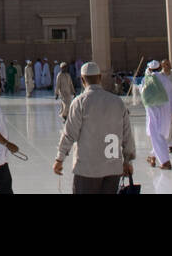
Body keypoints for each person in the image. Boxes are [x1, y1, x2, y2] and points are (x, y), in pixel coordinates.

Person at [52, 61, 133, 193]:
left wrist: (59, 158)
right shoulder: (117, 102)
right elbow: (127, 135)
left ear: (82, 79)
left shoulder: (80, 102)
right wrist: (128, 161)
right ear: (100, 78)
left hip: (88, 169)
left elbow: (70, 133)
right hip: (113, 168)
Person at [140, 60, 172, 169]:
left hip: (152, 110)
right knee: (161, 135)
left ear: (149, 69)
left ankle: (165, 162)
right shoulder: (165, 79)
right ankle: (152, 156)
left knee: (156, 135)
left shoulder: (146, 80)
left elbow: (143, 94)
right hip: (165, 109)